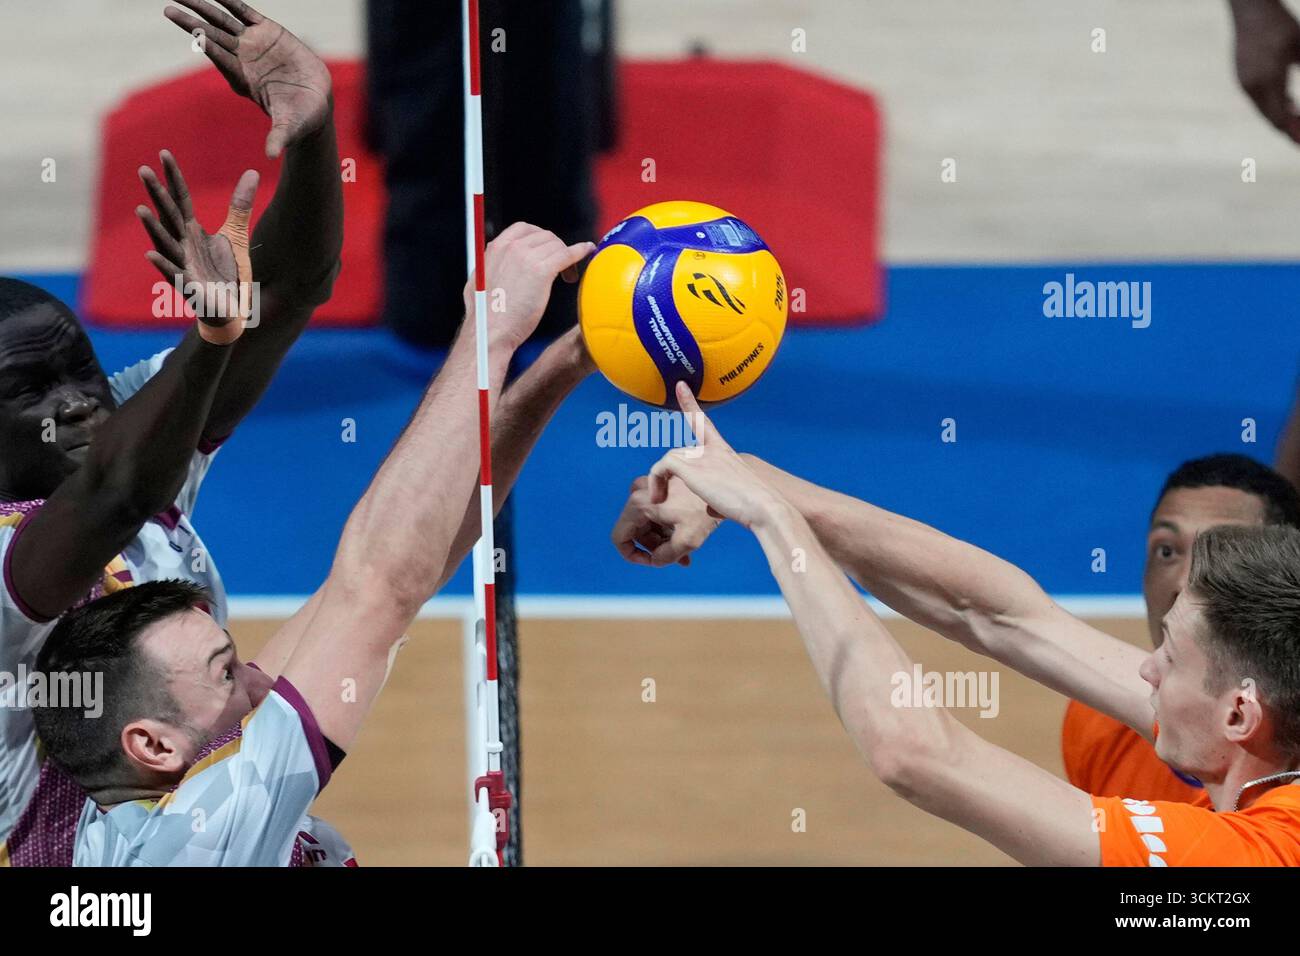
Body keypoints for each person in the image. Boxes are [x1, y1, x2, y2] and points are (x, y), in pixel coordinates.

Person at [31, 224, 596, 866]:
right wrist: (488, 333)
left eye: (234, 659)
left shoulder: (186, 785)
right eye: (225, 672)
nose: (261, 681)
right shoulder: (194, 843)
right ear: (153, 745)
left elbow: (396, 573)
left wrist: (567, 359)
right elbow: (379, 587)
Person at [639, 382, 1300, 865]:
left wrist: (772, 523)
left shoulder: (1239, 865)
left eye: (1172, 659)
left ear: (1239, 715)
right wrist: (743, 479)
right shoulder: (1258, 724)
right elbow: (998, 614)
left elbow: (916, 755)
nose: (1144, 665)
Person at [0, 0, 342, 862]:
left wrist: (309, 131)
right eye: (29, 391)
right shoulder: (94, 492)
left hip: (221, 822)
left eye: (81, 366)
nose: (79, 401)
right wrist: (212, 340)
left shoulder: (122, 429)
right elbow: (116, 495)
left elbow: (287, 296)